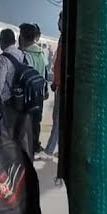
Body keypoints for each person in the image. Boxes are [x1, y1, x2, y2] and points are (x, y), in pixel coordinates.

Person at [0, 26, 39, 159]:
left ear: (2, 41)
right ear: (14, 40)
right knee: (22, 138)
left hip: (9, 104)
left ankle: (11, 167)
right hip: (24, 102)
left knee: (8, 137)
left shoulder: (3, 58)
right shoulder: (24, 55)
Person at [22, 24, 51, 156]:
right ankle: (35, 144)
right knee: (36, 120)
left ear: (22, 37)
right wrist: (45, 89)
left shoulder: (25, 54)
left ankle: (28, 145)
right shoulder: (41, 53)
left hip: (29, 93)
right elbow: (44, 73)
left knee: (27, 119)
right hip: (39, 92)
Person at [45, 12, 65, 157]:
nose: (58, 23)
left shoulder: (66, 39)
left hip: (62, 86)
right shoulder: (63, 38)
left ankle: (50, 150)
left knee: (57, 118)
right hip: (60, 84)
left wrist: (56, 81)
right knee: (59, 119)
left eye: (60, 20)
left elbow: (61, 64)